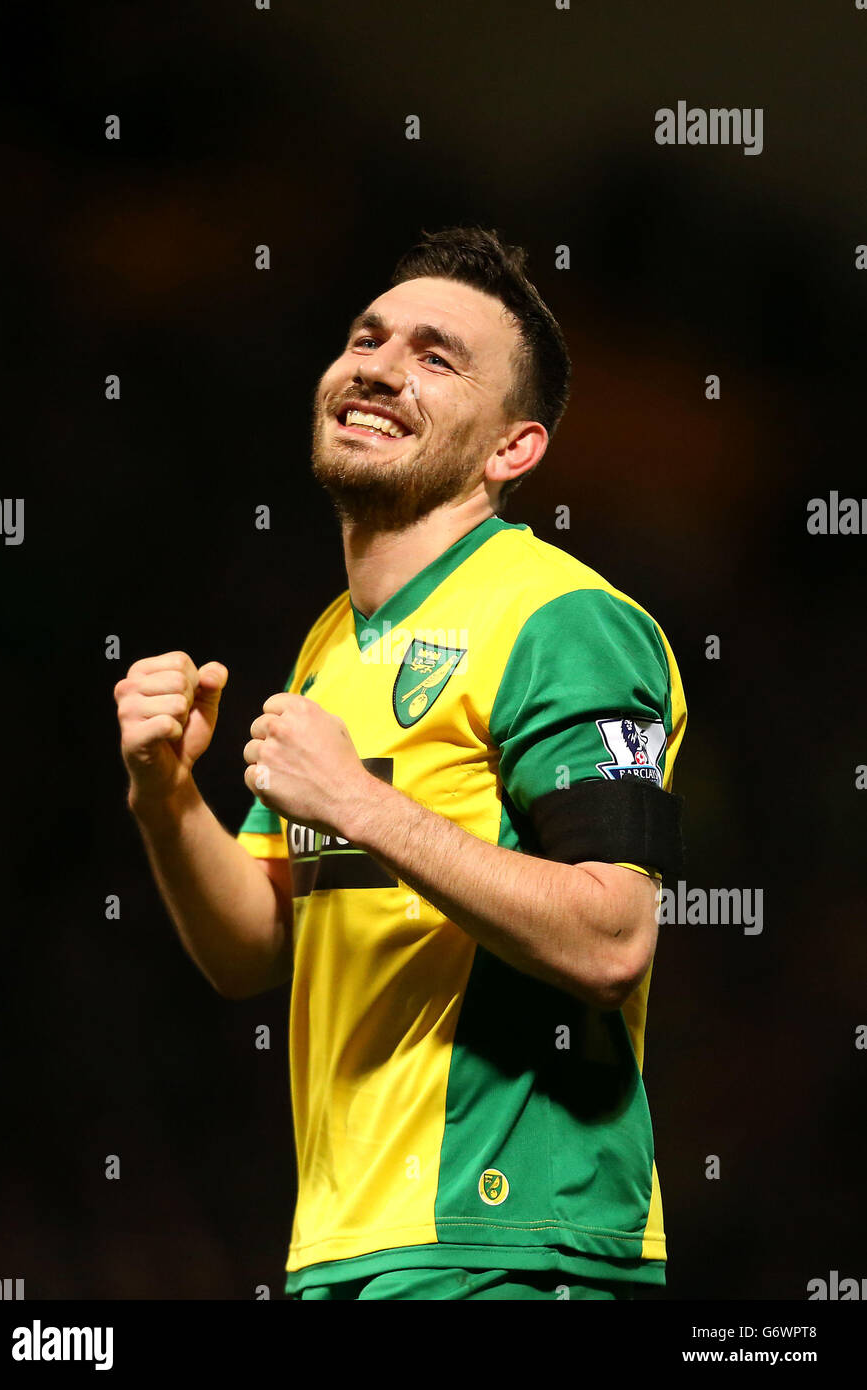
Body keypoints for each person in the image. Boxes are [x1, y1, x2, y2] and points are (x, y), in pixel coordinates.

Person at [114, 226, 687, 1301]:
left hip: (512, 1240)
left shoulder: (559, 618)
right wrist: (165, 796)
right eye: (366, 339)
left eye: (435, 356)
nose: (377, 366)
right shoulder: (335, 642)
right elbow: (252, 945)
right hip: (350, 1243)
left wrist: (358, 804)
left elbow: (612, 936)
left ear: (510, 451)